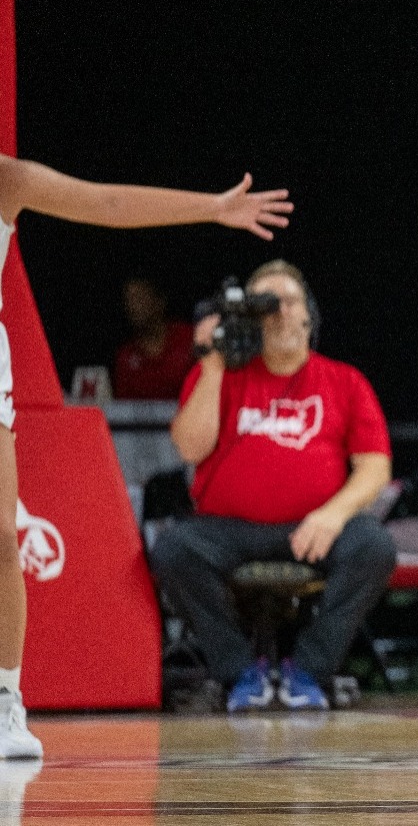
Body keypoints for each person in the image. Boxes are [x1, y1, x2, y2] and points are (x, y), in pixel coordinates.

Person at [0, 163, 285, 753]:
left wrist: (212, 207)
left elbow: (104, 200)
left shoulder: (5, 179)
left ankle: (5, 702)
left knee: (3, 536)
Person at [154, 260, 397, 713]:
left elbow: (375, 468)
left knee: (374, 546)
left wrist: (332, 513)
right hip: (229, 528)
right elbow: (189, 448)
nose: (280, 313)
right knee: (174, 550)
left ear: (309, 316)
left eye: (290, 302)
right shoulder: (221, 374)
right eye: (266, 304)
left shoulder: (344, 381)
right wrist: (211, 365)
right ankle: (239, 672)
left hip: (313, 528)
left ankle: (308, 670)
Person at [113, 277, 197, 400]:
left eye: (139, 298)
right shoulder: (125, 357)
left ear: (159, 301)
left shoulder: (190, 337)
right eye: (129, 300)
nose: (133, 306)